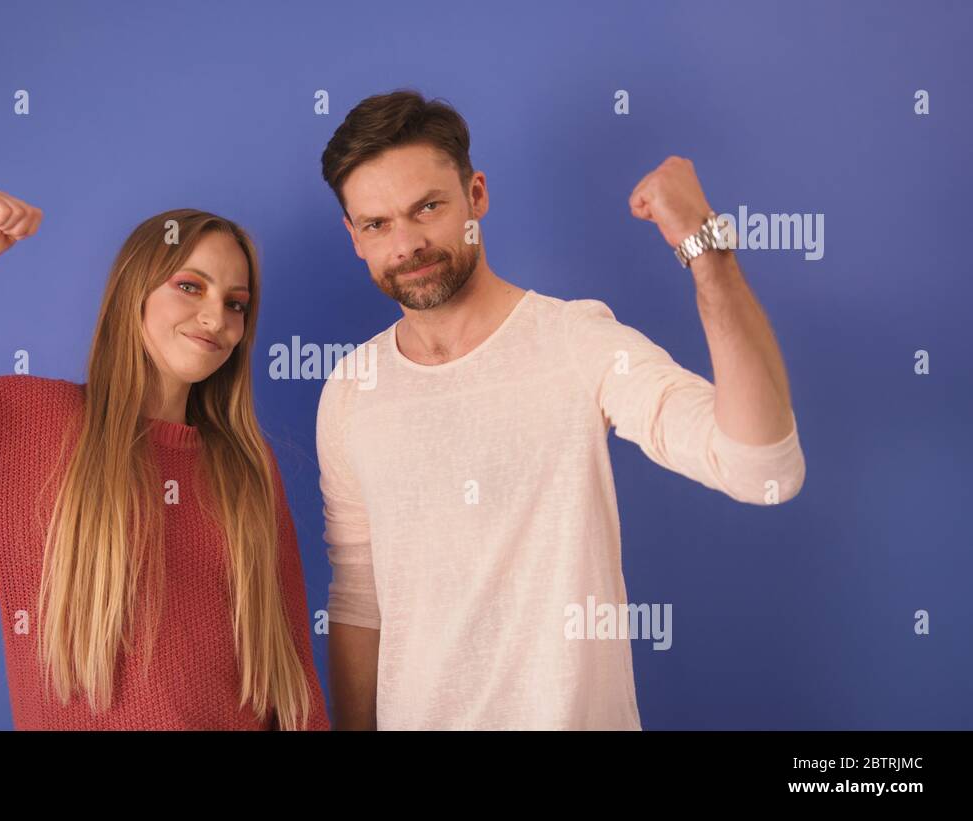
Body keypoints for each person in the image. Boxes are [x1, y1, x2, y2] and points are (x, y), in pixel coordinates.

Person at [317, 90, 806, 730]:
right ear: (354, 237)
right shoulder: (352, 389)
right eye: (377, 224)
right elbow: (360, 600)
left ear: (477, 197)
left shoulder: (576, 342)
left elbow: (762, 470)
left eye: (428, 207)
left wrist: (707, 248)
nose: (407, 243)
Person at [0, 190, 329, 730]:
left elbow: (291, 671)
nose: (216, 317)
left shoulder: (247, 463)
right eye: (190, 286)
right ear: (134, 293)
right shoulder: (30, 424)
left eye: (236, 303)